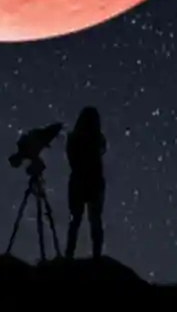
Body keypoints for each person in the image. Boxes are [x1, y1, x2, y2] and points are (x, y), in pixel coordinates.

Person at [64, 106, 106, 259]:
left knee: (76, 220)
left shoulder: (74, 139)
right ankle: (96, 256)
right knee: (94, 220)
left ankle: (69, 255)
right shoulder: (97, 139)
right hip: (93, 182)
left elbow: (72, 160)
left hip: (79, 182)